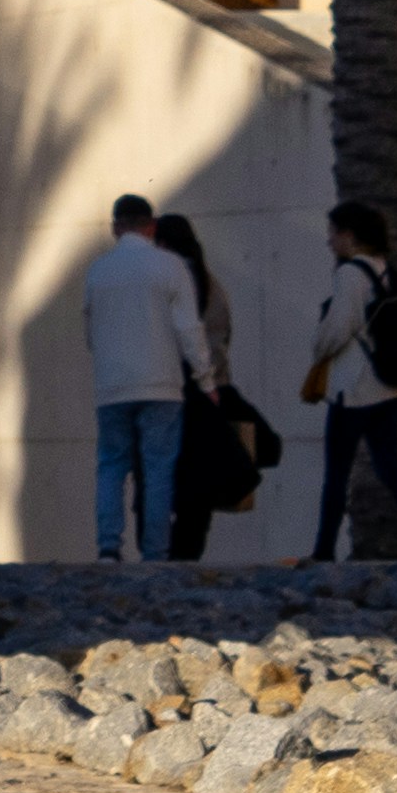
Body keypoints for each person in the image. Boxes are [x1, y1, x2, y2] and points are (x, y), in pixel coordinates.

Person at [299, 197, 397, 559]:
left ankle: (323, 552)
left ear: (349, 235)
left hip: (356, 388)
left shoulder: (350, 274)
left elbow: (338, 329)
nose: (329, 241)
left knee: (336, 473)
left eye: (333, 233)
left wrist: (316, 349)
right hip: (390, 386)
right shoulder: (386, 270)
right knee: (390, 466)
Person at [74, 192, 197, 560]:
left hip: (113, 387)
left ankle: (109, 547)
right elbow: (189, 329)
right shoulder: (172, 266)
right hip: (162, 384)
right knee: (158, 469)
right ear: (151, 226)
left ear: (115, 228)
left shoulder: (98, 270)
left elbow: (90, 333)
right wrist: (206, 379)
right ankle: (155, 552)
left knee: (112, 466)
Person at [150, 208, 246, 557]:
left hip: (177, 392)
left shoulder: (172, 284)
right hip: (211, 396)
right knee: (198, 490)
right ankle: (184, 557)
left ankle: (163, 556)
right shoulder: (211, 284)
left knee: (159, 477)